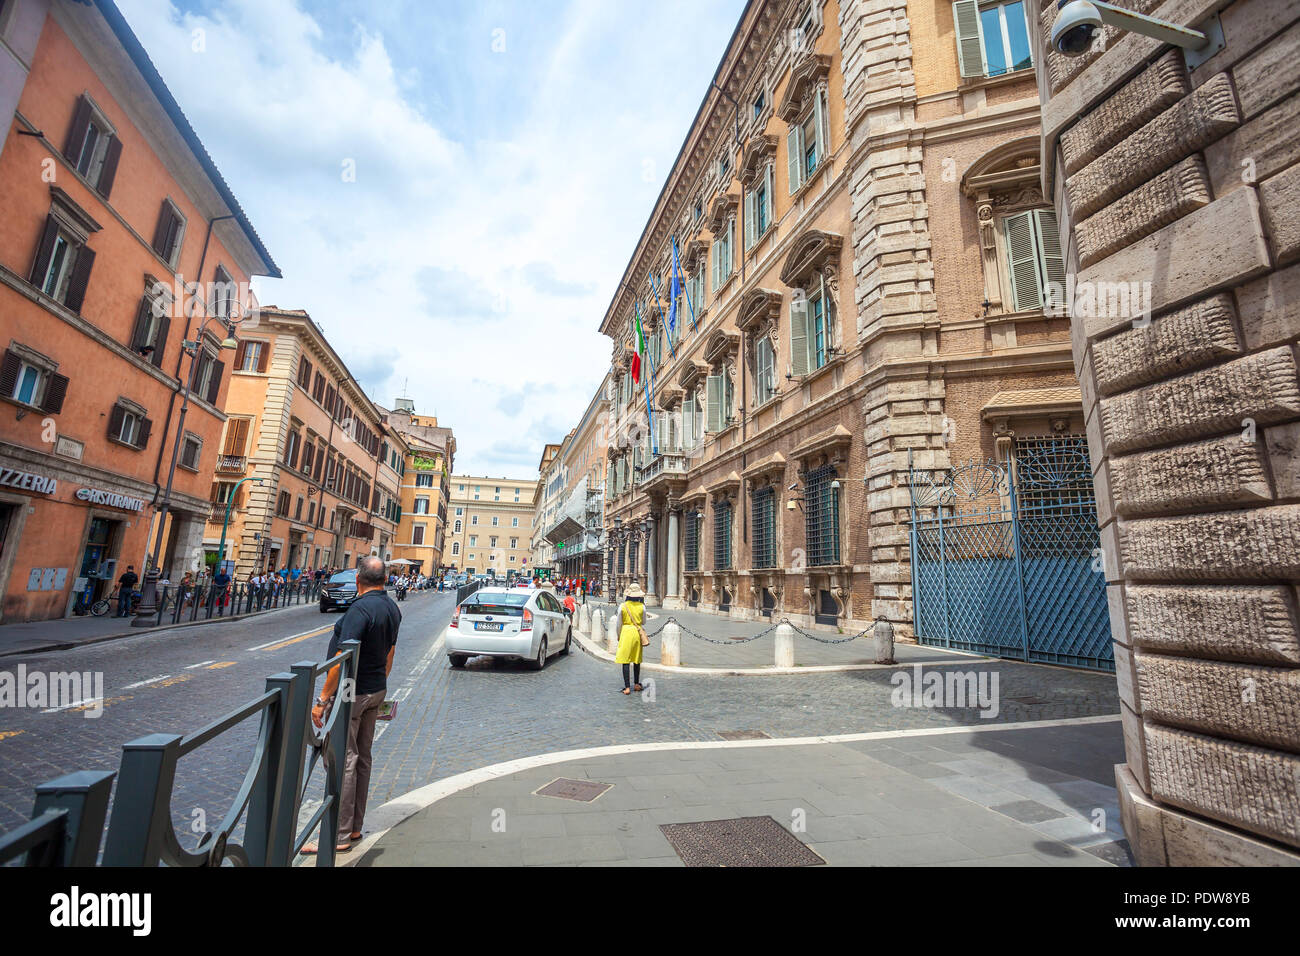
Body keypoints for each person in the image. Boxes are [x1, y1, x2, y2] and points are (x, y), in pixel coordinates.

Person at [305, 556, 400, 855]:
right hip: (375, 690)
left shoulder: (359, 609)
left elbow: (339, 662)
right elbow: (390, 653)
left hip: (351, 692)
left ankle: (338, 835)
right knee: (363, 757)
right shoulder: (392, 608)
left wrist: (322, 701)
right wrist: (378, 683)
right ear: (384, 580)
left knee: (344, 760)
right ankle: (355, 825)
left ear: (358, 580)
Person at [615, 583, 647, 695]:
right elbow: (644, 621)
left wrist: (618, 635)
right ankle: (637, 684)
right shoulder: (642, 606)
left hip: (626, 632)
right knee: (636, 659)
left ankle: (627, 687)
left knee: (625, 660)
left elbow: (618, 623)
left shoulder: (622, 606)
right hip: (637, 632)